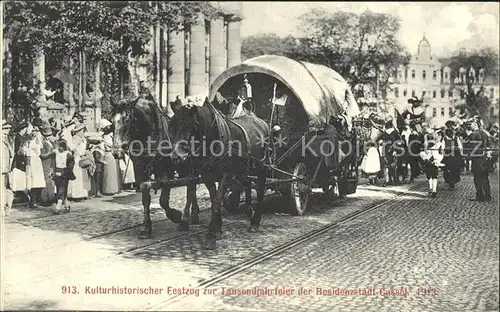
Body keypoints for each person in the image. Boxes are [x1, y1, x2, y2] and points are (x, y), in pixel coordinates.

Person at [468, 119, 492, 202]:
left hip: (477, 159)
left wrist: (469, 159)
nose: (468, 126)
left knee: (477, 178)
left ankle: (480, 196)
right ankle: (488, 196)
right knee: (485, 177)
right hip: (484, 158)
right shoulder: (484, 133)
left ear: (475, 124)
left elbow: (471, 148)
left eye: (470, 124)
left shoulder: (473, 134)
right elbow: (489, 145)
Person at [52, 140, 75, 214]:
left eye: (61, 147)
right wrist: (52, 171)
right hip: (57, 174)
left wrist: (62, 173)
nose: (59, 148)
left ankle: (57, 208)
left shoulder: (68, 155)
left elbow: (70, 167)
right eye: (58, 147)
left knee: (61, 191)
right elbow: (53, 164)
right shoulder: (56, 154)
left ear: (64, 147)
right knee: (60, 190)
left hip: (64, 175)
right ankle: (67, 205)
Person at [67, 123, 89, 200]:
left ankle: (81, 193)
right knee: (76, 176)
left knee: (81, 177)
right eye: (82, 130)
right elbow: (72, 148)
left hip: (81, 158)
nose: (83, 132)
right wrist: (77, 143)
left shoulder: (83, 138)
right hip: (76, 159)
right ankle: (75, 194)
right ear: (78, 131)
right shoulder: (75, 138)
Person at [420, 132, 444, 197]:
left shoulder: (438, 144)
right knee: (431, 176)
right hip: (429, 161)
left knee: (433, 176)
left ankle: (433, 190)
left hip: (433, 161)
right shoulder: (426, 144)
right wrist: (426, 158)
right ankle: (432, 189)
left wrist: (437, 160)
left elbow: (441, 154)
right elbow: (422, 152)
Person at [39, 124, 56, 205]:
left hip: (50, 162)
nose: (50, 136)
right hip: (46, 163)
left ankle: (50, 198)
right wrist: (51, 152)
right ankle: (45, 199)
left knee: (50, 180)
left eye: (50, 135)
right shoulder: (43, 143)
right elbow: (42, 155)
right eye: (48, 135)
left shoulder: (50, 142)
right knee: (46, 180)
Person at [101, 123, 120, 195]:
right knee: (109, 173)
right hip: (108, 154)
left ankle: (111, 189)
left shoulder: (109, 137)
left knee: (111, 173)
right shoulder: (106, 138)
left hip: (109, 155)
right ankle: (109, 189)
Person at [2, 120, 14, 216]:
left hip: (7, 167)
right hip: (2, 168)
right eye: (6, 128)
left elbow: (11, 153)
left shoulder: (8, 139)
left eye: (9, 129)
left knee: (8, 189)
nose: (8, 130)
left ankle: (8, 208)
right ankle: (2, 208)